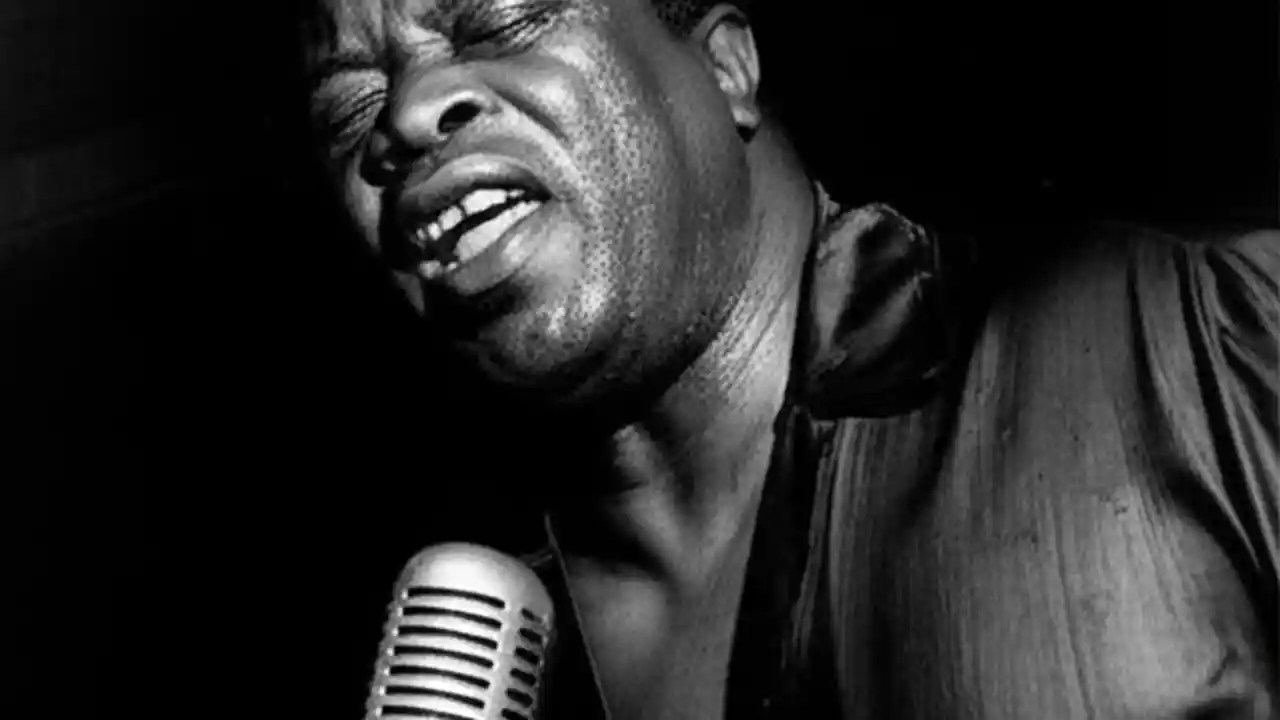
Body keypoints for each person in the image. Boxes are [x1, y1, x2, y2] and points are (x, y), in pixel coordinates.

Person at [300, 0, 1279, 717]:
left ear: (725, 67)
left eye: (496, 21)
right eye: (348, 114)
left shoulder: (1192, 332)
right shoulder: (471, 659)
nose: (407, 113)